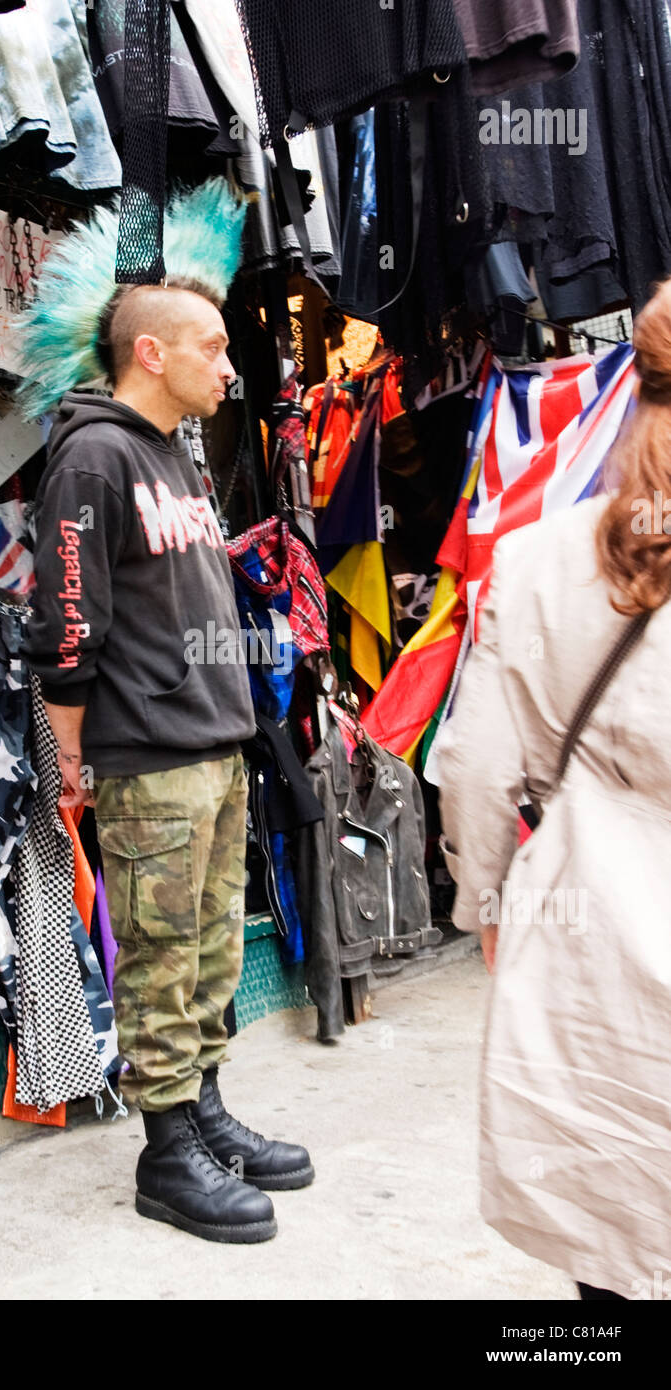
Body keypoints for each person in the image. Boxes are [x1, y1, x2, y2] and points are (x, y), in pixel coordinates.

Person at [23, 274, 314, 1245]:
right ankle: (166, 1153)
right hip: (148, 758)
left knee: (212, 953)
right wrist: (69, 752)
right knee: (158, 958)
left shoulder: (172, 456)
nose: (230, 370)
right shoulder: (94, 462)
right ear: (150, 352)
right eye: (214, 349)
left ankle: (206, 1114)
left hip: (215, 744)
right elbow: (66, 624)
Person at [437, 277, 671, 1301]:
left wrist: (483, 901)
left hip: (597, 925)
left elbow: (480, 769)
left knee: (614, 1208)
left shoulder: (535, 560)